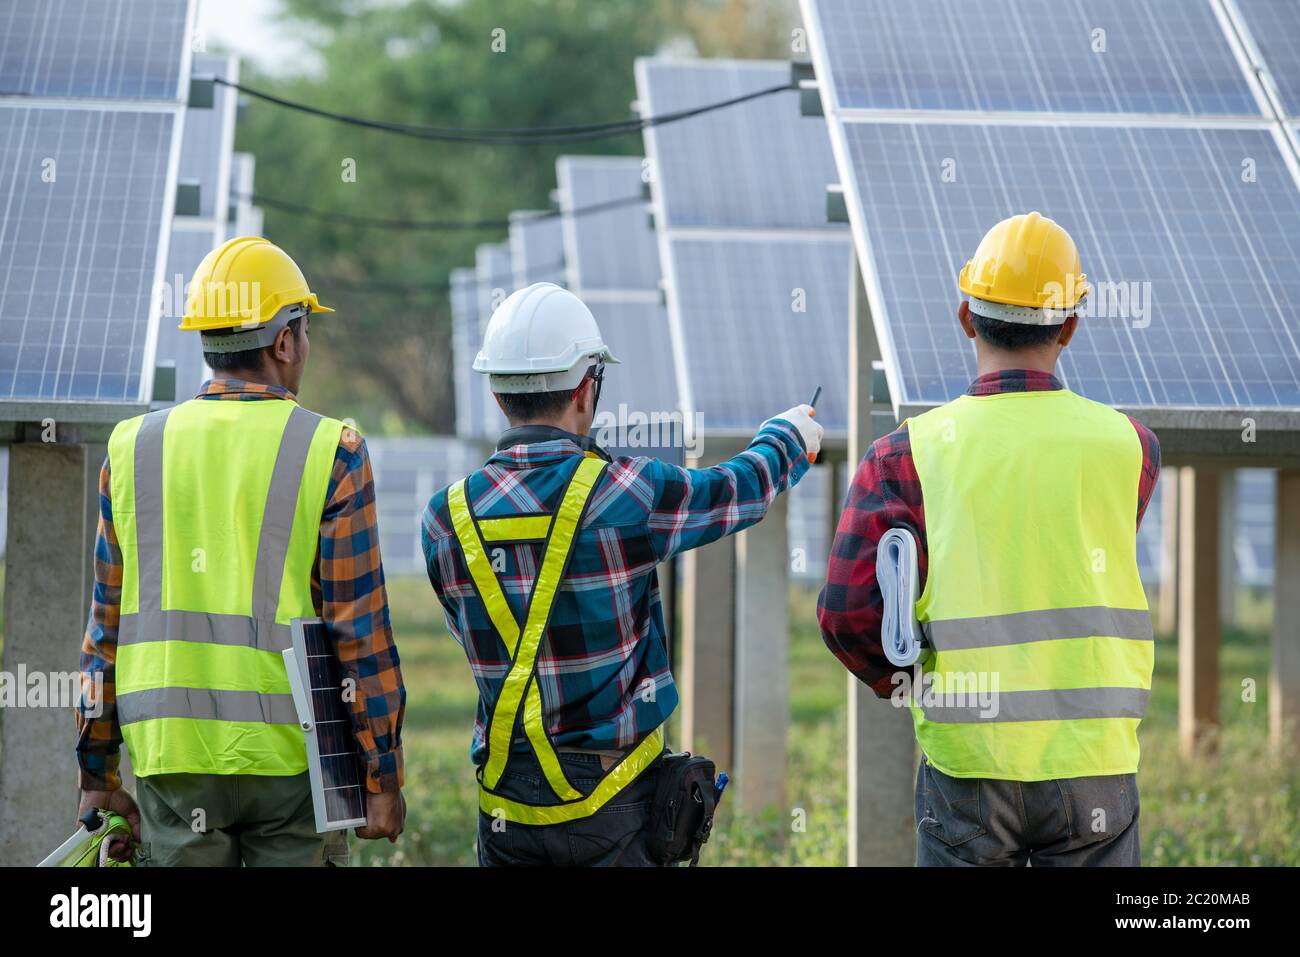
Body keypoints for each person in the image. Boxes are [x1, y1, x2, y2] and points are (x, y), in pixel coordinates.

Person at [421, 282, 821, 866]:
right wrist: (789, 438)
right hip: (615, 804)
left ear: (497, 391)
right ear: (586, 389)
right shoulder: (626, 492)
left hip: (506, 807)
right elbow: (739, 490)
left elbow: (482, 638)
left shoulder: (445, 518)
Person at [819, 212, 1160, 867]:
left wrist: (913, 684)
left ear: (965, 318)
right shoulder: (1132, 446)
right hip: (1094, 761)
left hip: (968, 762)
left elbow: (843, 611)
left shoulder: (903, 455)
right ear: (1069, 326)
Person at [76, 237, 406, 865]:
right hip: (294, 765)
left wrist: (97, 768)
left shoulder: (132, 449)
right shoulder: (333, 451)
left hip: (172, 762)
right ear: (285, 341)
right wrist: (382, 777)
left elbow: (105, 628)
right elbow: (359, 633)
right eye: (304, 329)